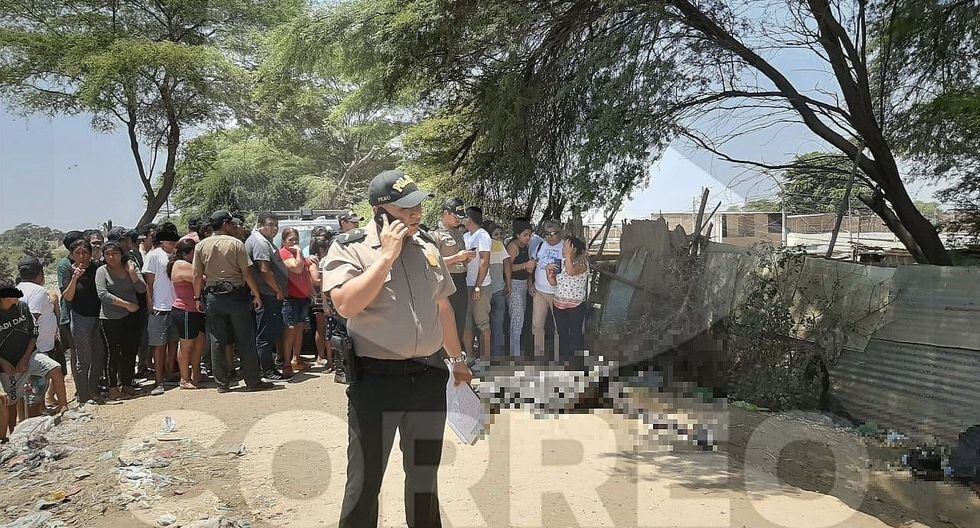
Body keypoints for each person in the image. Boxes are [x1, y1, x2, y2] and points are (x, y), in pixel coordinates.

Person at [322, 169, 472, 528]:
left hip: (428, 377)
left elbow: (443, 307)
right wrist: (385, 257)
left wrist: (458, 359)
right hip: (376, 381)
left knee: (423, 478)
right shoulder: (350, 246)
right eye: (407, 208)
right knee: (365, 478)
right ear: (381, 211)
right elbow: (344, 304)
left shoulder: (428, 248)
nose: (417, 213)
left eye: (418, 204)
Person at [192, 210, 274, 393]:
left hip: (213, 296)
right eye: (231, 223)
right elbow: (246, 273)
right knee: (244, 339)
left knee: (217, 340)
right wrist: (257, 295)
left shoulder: (201, 246)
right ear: (225, 224)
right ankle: (252, 381)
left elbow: (197, 275)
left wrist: (197, 297)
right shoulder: (236, 244)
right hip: (236, 296)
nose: (234, 226)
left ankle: (222, 384)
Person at [1, 277, 68, 429]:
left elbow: (33, 333)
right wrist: (4, 363)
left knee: (55, 368)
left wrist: (25, 358)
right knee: (11, 399)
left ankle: (64, 407)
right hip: (7, 364)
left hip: (29, 355)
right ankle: (13, 433)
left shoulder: (22, 307)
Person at [15, 260, 69, 413]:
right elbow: (31, 321)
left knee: (30, 389)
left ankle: (38, 411)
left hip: (34, 347)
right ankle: (59, 408)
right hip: (38, 348)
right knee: (39, 385)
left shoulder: (19, 289)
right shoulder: (38, 291)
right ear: (40, 275)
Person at [95, 241, 146, 399]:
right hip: (110, 318)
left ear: (121, 254)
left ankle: (127, 384)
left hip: (131, 317)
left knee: (130, 351)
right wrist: (126, 305)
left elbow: (142, 288)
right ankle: (112, 388)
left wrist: (132, 273)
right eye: (107, 254)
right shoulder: (101, 271)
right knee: (112, 354)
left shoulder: (130, 266)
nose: (111, 257)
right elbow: (102, 294)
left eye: (114, 253)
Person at [245, 212, 290, 381]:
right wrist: (278, 289)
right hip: (267, 294)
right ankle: (267, 371)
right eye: (270, 225)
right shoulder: (260, 243)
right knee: (265, 335)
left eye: (276, 225)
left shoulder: (264, 241)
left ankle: (266, 368)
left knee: (268, 333)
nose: (274, 228)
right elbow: (264, 270)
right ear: (260, 225)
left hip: (268, 294)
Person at [60, 239, 106, 405]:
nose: (82, 256)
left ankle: (93, 390)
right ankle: (83, 395)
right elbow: (68, 296)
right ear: (72, 255)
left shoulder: (97, 268)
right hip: (80, 319)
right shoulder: (68, 271)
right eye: (78, 253)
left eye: (85, 252)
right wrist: (75, 278)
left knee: (99, 355)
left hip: (98, 317)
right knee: (83, 359)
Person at [432, 198, 474, 345]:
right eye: (456, 216)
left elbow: (459, 259)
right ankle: (443, 359)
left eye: (460, 217)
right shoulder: (435, 235)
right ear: (446, 213)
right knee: (446, 322)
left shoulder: (458, 234)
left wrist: (466, 259)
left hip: (461, 280)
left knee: (460, 320)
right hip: (446, 282)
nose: (458, 220)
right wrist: (457, 257)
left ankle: (457, 357)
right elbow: (433, 263)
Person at [143, 229, 180, 396]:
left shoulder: (175, 254)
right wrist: (151, 305)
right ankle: (158, 381)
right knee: (159, 345)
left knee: (173, 342)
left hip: (175, 305)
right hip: (159, 307)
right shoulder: (154, 255)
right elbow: (148, 283)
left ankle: (170, 373)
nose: (172, 242)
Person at [547, 235, 590, 363]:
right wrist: (549, 274)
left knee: (575, 335)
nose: (563, 248)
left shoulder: (582, 262)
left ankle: (575, 362)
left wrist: (568, 256)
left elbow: (571, 272)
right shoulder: (562, 262)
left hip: (575, 306)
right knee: (562, 334)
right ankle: (563, 360)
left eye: (566, 246)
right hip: (559, 305)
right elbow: (554, 283)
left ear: (573, 249)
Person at [169, 240, 206, 389]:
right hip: (184, 310)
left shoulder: (189, 264)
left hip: (196, 310)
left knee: (198, 344)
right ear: (187, 253)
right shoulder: (180, 264)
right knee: (186, 346)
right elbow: (200, 279)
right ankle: (184, 379)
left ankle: (195, 374)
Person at [279, 227, 313, 375]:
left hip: (303, 298)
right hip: (290, 298)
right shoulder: (284, 253)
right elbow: (297, 268)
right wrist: (299, 252)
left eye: (296, 239)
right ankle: (286, 363)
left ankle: (296, 359)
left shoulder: (300, 255)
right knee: (290, 330)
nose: (294, 242)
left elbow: (305, 272)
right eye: (290, 239)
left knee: (299, 330)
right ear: (284, 241)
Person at [529, 220, 564, 360]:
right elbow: (532, 265)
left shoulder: (565, 247)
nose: (550, 236)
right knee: (537, 324)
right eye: (547, 234)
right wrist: (530, 283)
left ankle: (558, 356)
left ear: (560, 232)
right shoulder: (540, 245)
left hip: (557, 293)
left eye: (554, 233)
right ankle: (539, 355)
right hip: (539, 291)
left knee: (559, 326)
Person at [462, 206, 492, 358]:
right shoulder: (466, 236)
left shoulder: (483, 236)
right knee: (466, 323)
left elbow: (484, 262)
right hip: (465, 284)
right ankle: (470, 357)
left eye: (464, 217)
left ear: (470, 218)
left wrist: (478, 287)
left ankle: (485, 360)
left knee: (482, 324)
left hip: (480, 286)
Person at [55, 231, 84, 373]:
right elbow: (65, 293)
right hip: (70, 314)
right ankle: (80, 388)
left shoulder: (86, 262)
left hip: (85, 313)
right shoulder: (64, 265)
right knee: (76, 351)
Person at [505, 221, 534, 358]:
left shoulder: (526, 246)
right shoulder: (513, 246)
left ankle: (516, 350)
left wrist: (529, 283)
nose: (528, 237)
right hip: (514, 284)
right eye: (525, 235)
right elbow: (507, 267)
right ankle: (514, 353)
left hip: (523, 284)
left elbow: (527, 269)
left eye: (529, 234)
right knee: (517, 319)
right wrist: (524, 265)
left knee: (521, 318)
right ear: (517, 235)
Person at [307, 237, 334, 370]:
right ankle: (321, 355)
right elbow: (316, 280)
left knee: (326, 328)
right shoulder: (314, 261)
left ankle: (326, 355)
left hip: (325, 297)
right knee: (321, 328)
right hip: (319, 298)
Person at [485, 221, 510, 358]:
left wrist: (508, 283)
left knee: (496, 323)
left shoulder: (499, 246)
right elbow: (507, 263)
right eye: (496, 234)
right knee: (493, 323)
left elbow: (506, 263)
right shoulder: (495, 246)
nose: (499, 236)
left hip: (498, 289)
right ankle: (491, 353)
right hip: (488, 290)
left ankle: (495, 353)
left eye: (501, 234)